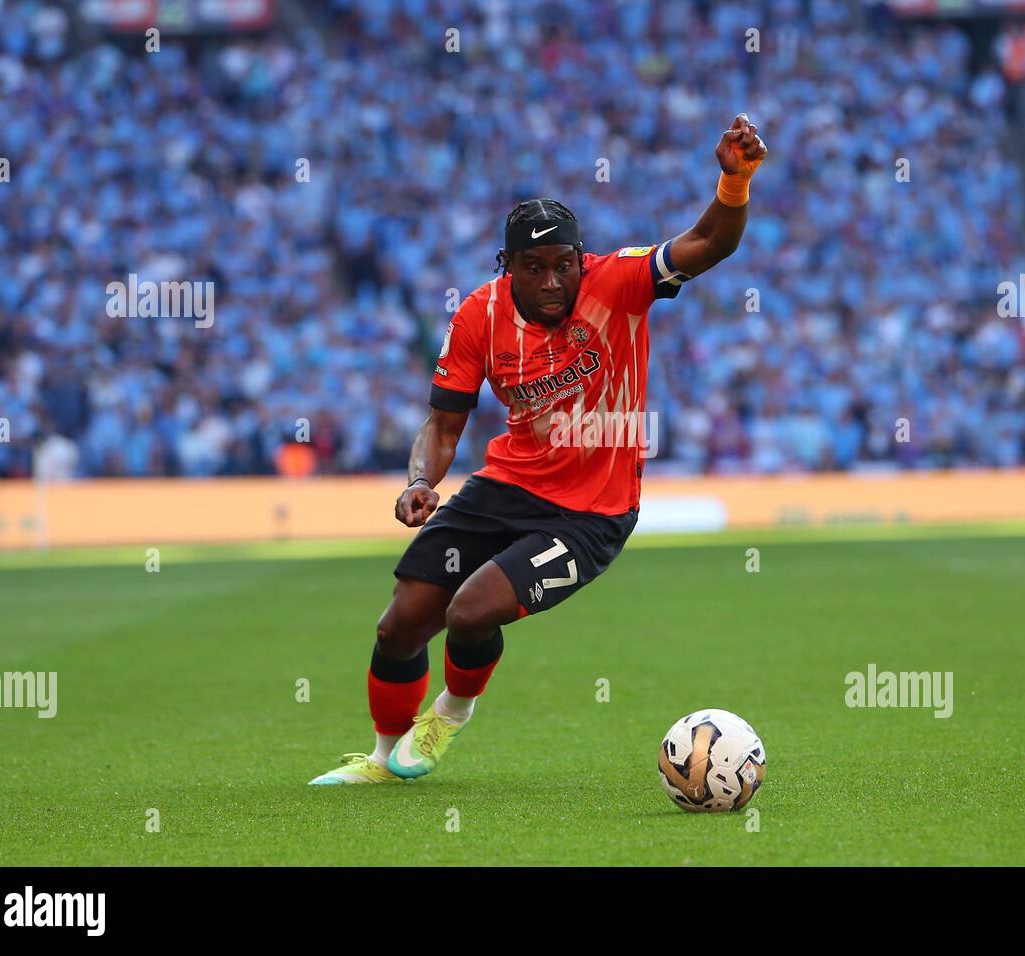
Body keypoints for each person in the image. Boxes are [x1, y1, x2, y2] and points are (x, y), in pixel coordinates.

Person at [310, 113, 768, 784]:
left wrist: (733, 182)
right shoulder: (477, 316)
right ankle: (381, 761)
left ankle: (448, 718)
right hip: (507, 486)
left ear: (582, 261)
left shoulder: (620, 282)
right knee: (399, 624)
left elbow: (708, 242)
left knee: (469, 610)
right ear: (508, 268)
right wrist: (418, 482)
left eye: (564, 266)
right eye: (535, 268)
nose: (553, 281)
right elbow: (443, 426)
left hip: (592, 513)